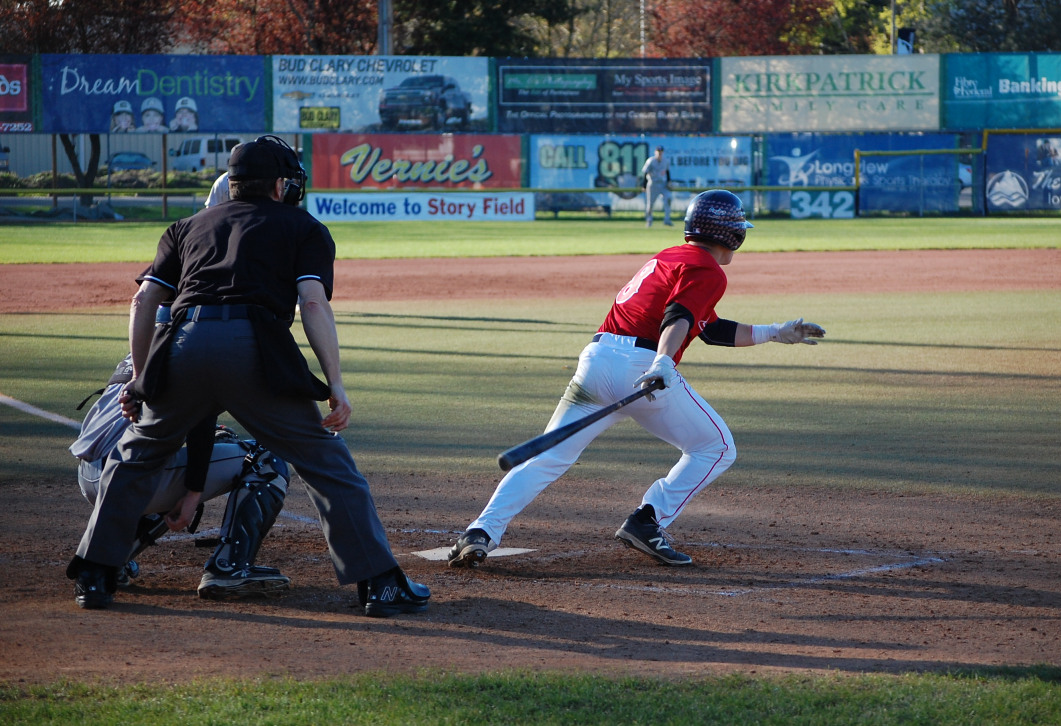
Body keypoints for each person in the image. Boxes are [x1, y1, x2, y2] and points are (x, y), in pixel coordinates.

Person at [67, 135, 430, 617]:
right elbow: (313, 303)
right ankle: (381, 586)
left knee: (134, 457)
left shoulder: (186, 227)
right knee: (326, 464)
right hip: (255, 351)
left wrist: (141, 380)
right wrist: (335, 385)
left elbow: (143, 302)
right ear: (282, 185)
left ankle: (95, 575)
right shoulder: (305, 227)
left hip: (183, 346)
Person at [448, 190, 825, 569]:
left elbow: (708, 328)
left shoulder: (669, 257)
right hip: (643, 365)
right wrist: (663, 361)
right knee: (716, 447)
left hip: (596, 360)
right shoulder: (709, 269)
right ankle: (648, 521)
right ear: (731, 234)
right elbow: (678, 316)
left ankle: (481, 531)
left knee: (550, 456)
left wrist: (774, 332)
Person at [72, 353, 291, 598]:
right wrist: (193, 491)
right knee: (264, 459)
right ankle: (228, 568)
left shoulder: (147, 344)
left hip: (92, 474)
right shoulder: (197, 349)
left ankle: (109, 558)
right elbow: (201, 422)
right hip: (129, 475)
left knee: (188, 456)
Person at [639, 145, 672, 227]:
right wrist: (644, 185)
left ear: (663, 152)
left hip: (663, 184)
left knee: (668, 199)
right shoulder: (650, 161)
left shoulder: (666, 161)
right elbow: (645, 172)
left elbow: (667, 172)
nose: (659, 153)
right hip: (652, 183)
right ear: (655, 152)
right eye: (658, 152)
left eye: (661, 152)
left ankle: (667, 220)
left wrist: (668, 182)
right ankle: (649, 220)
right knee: (650, 203)